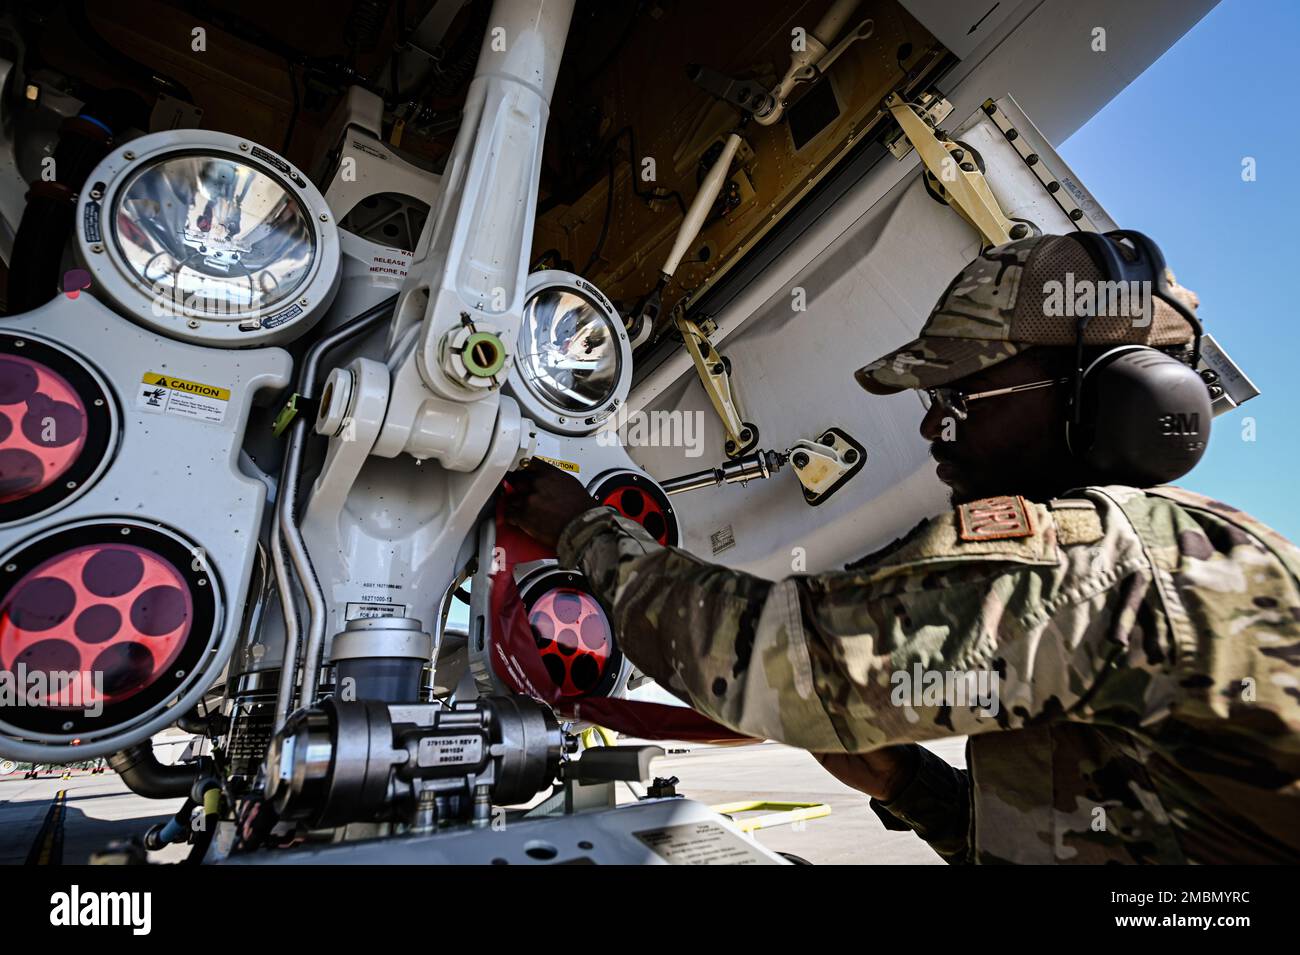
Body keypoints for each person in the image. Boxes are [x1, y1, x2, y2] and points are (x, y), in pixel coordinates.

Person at [504, 233, 1300, 863]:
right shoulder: (1196, 551)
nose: (932, 428)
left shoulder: (1093, 563)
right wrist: (909, 783)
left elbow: (773, 665)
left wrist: (582, 527)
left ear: (1096, 400)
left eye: (956, 397)